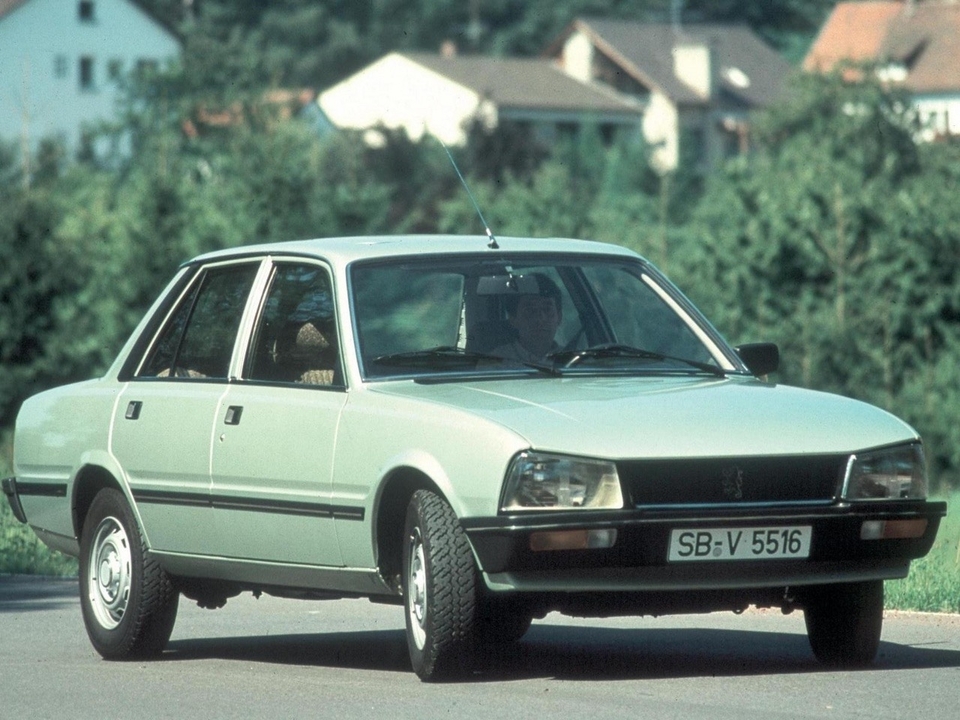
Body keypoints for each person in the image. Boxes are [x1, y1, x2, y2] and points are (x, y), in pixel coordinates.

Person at [492, 273, 563, 362]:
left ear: (559, 317)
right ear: (513, 319)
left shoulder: (574, 360)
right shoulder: (495, 363)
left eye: (547, 309)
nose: (540, 319)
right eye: (530, 310)